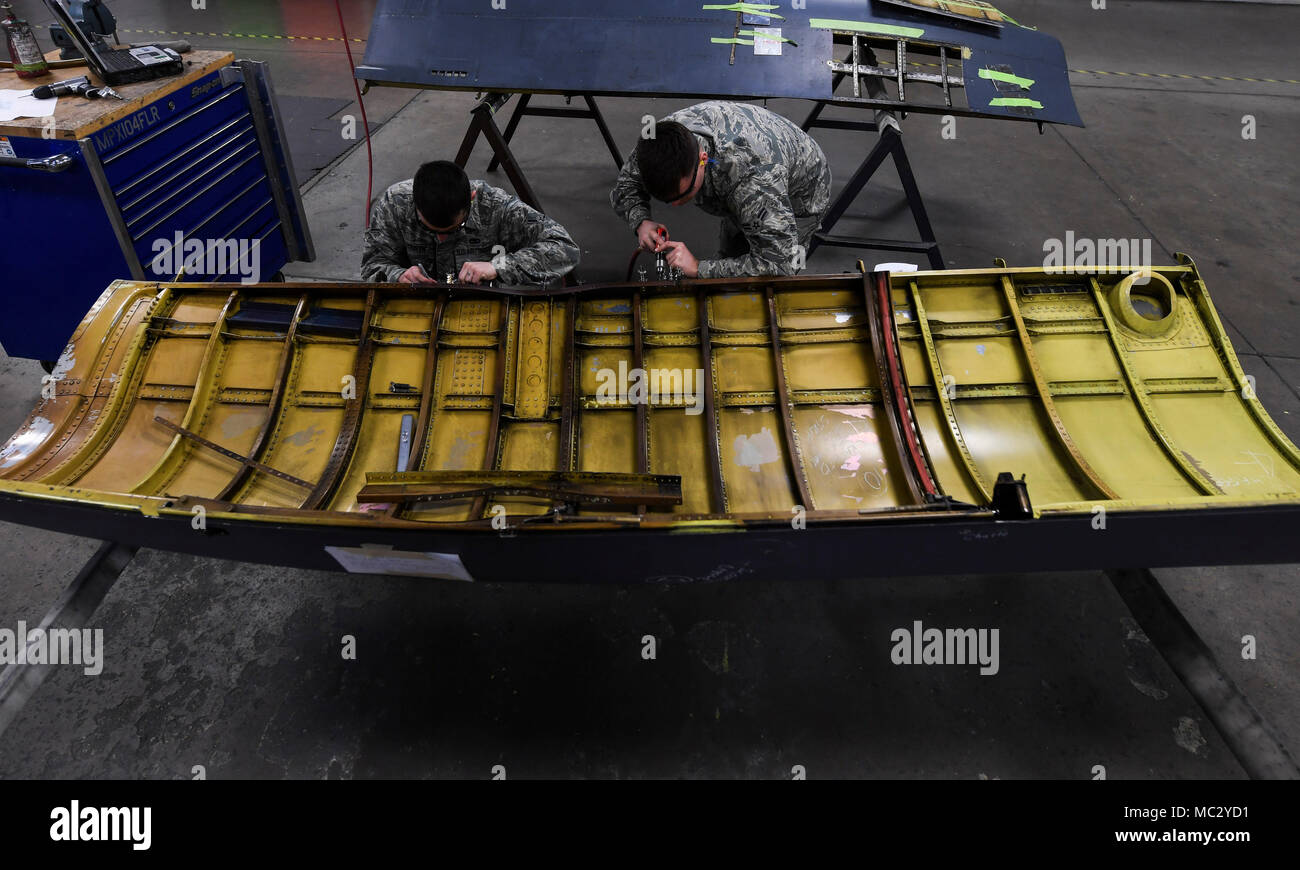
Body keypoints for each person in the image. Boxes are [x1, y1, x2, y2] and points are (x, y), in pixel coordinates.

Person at [610, 101, 831, 279]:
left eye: (682, 196)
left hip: (798, 196)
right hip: (750, 180)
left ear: (703, 159)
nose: (675, 205)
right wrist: (642, 222)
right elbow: (626, 184)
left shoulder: (752, 178)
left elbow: (779, 263)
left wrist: (698, 268)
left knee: (767, 284)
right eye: (666, 201)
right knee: (733, 254)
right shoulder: (659, 139)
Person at [362, 160, 580, 286]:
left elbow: (565, 248)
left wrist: (498, 266)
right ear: (414, 204)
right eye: (430, 230)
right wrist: (397, 275)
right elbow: (372, 265)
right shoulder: (396, 203)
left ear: (472, 197)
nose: (441, 239)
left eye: (454, 230)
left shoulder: (495, 206)